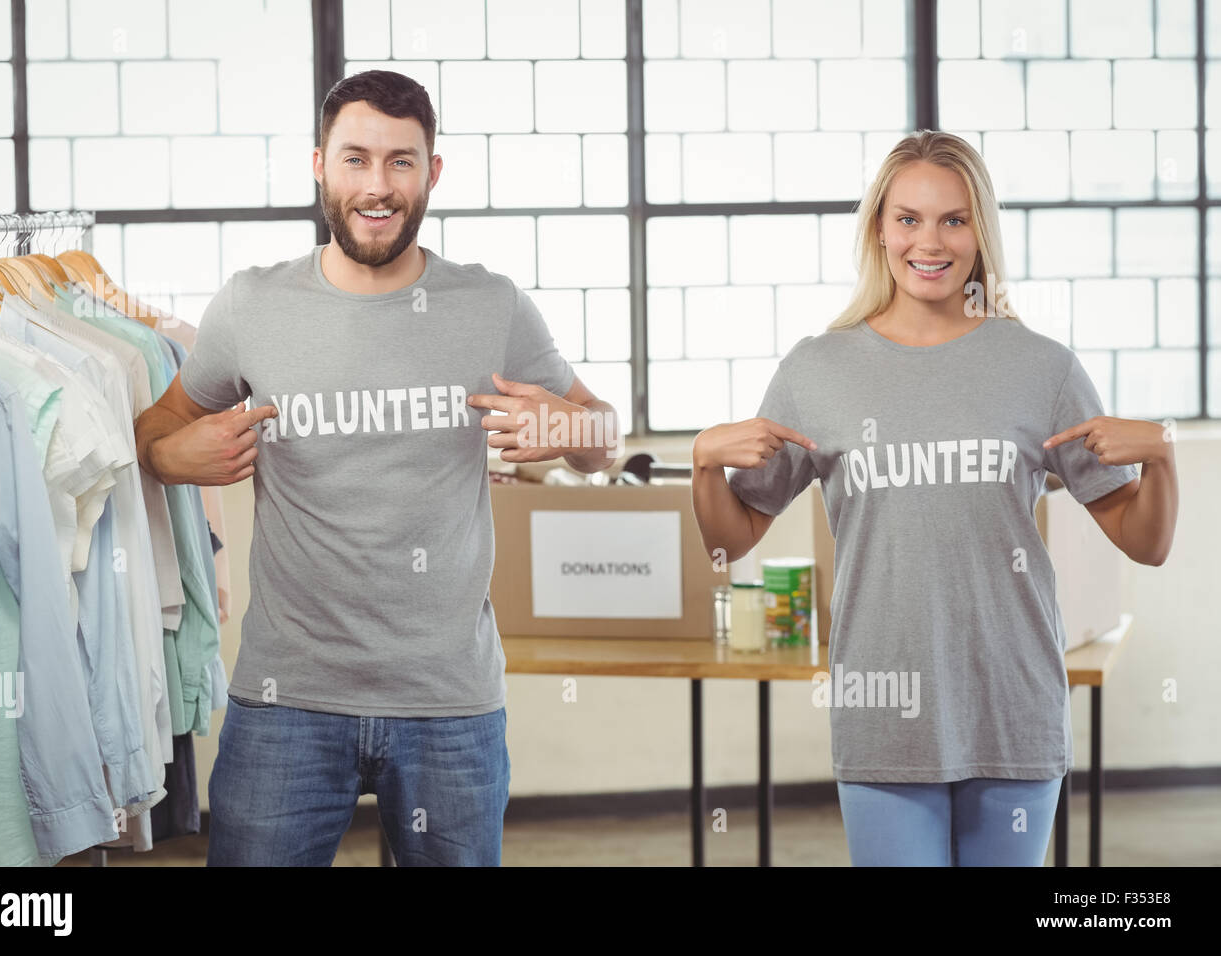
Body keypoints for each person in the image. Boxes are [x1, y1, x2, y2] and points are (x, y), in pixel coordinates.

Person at [135, 70, 618, 866]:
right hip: (286, 701)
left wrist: (568, 426)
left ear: (432, 173)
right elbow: (158, 426)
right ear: (319, 164)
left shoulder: (490, 305)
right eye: (356, 159)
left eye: (401, 162)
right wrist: (167, 455)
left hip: (449, 705)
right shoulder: (251, 307)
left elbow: (603, 436)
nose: (378, 185)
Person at [691, 130, 1179, 866]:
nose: (931, 241)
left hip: (1012, 709)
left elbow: (1146, 542)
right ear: (879, 229)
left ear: (981, 231)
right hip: (883, 716)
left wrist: (1164, 459)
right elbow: (733, 537)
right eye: (909, 218)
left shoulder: (1040, 368)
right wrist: (702, 465)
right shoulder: (818, 370)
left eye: (954, 219)